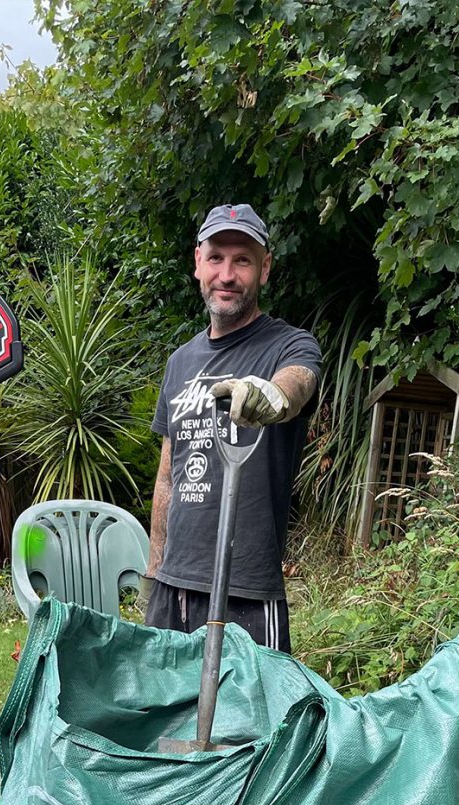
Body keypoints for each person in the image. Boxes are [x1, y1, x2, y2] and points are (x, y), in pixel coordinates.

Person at [141, 203, 321, 652]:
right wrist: (153, 571)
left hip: (247, 589)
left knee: (252, 722)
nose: (227, 274)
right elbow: (168, 476)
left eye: (242, 260)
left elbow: (298, 380)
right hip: (173, 585)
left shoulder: (288, 344)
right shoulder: (180, 361)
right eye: (217, 257)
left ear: (264, 269)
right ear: (198, 262)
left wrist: (274, 397)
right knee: (168, 719)